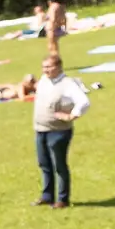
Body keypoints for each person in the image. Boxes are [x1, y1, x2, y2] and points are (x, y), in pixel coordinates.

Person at [31, 53, 90, 209]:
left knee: (59, 165)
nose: (45, 70)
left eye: (49, 67)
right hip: (40, 129)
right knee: (44, 163)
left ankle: (63, 199)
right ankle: (47, 195)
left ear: (59, 67)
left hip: (58, 131)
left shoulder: (67, 84)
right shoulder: (44, 80)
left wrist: (72, 116)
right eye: (44, 67)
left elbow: (84, 102)